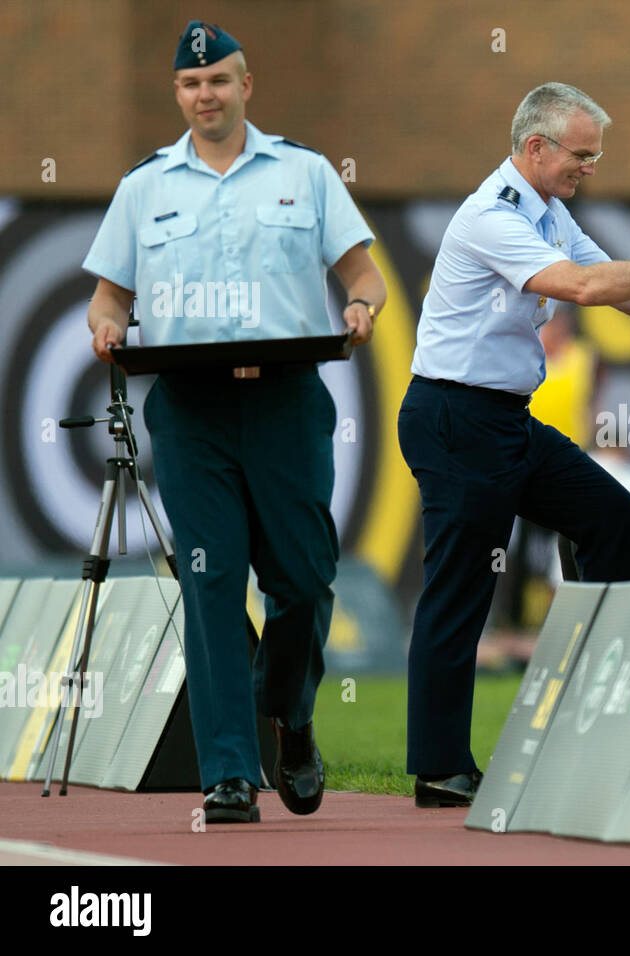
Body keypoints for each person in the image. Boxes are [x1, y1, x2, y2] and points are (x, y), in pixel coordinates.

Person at [399, 84, 630, 808]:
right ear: (535, 148)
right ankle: (438, 768)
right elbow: (586, 287)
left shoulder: (549, 212)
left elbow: (628, 293)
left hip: (500, 419)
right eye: (582, 155)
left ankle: (601, 704)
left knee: (615, 516)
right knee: (461, 586)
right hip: (455, 417)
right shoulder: (491, 216)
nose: (591, 167)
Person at [82, 22, 386, 823]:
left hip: (286, 403)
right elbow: (109, 296)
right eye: (190, 84)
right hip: (191, 411)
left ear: (246, 86)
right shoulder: (144, 187)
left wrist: (362, 305)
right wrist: (107, 327)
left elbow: (364, 274)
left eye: (218, 81)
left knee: (303, 581)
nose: (204, 95)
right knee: (211, 582)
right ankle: (227, 772)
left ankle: (291, 716)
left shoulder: (306, 172)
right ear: (177, 94)